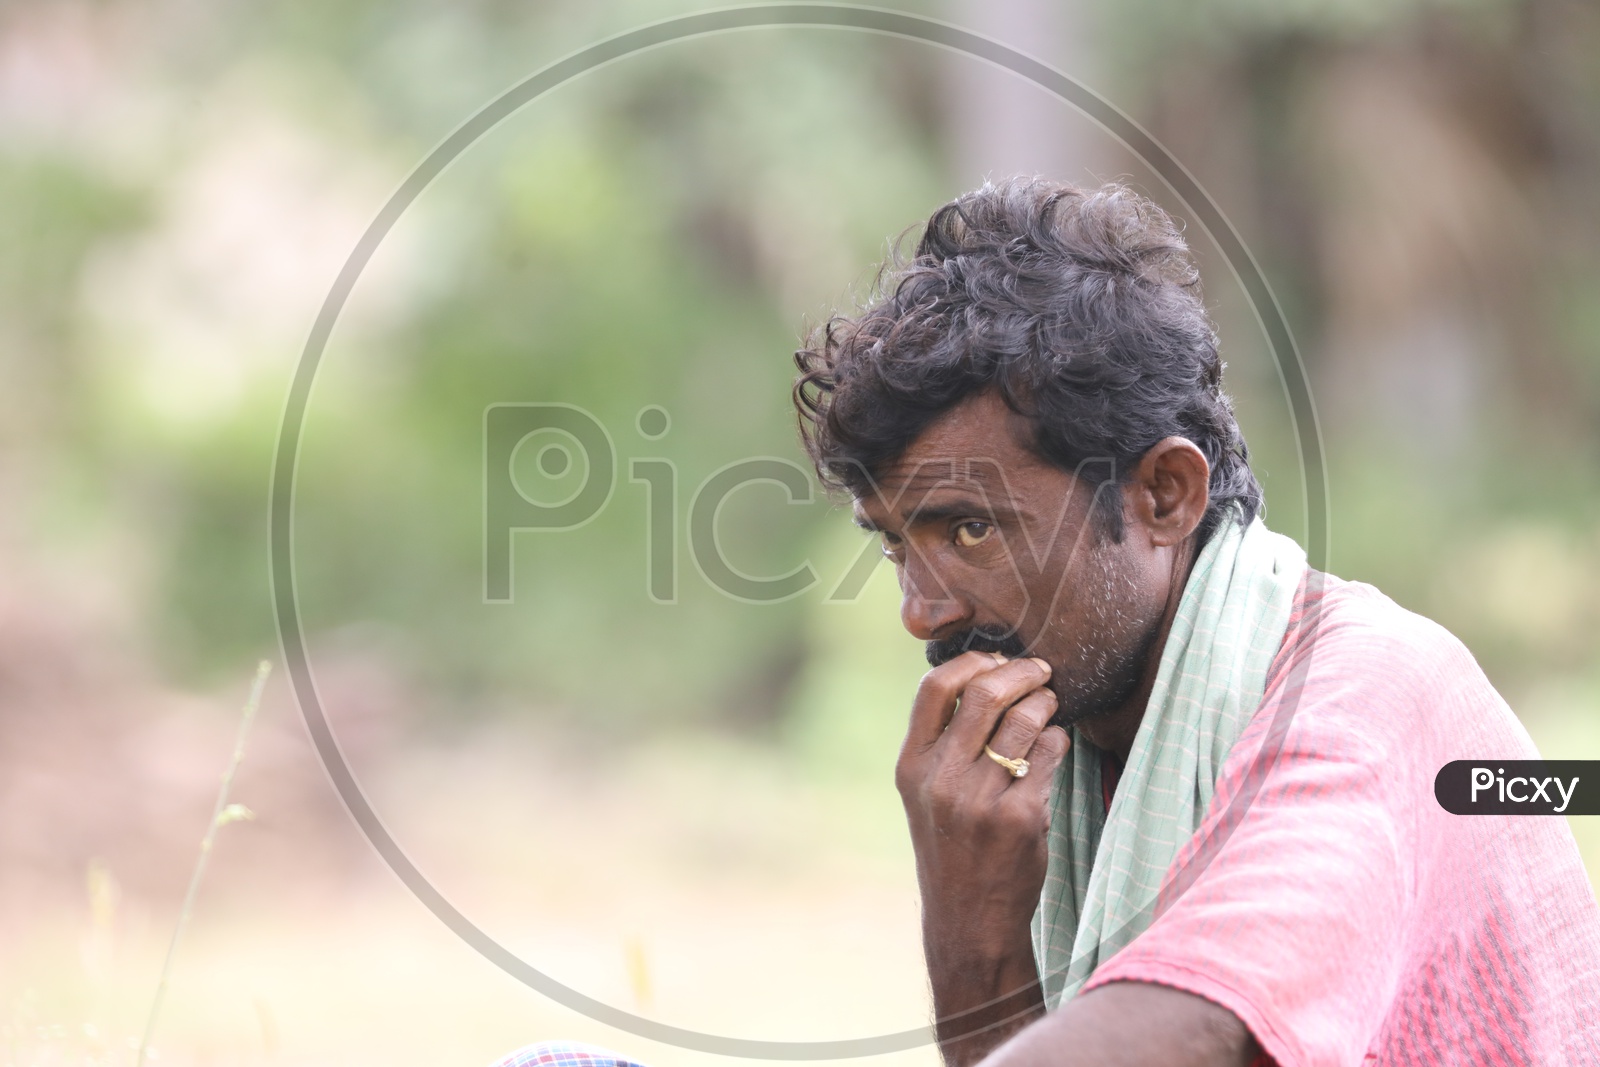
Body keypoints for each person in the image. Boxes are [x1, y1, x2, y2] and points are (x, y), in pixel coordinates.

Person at [491, 179, 1600, 1067]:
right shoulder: (1089, 734)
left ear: (1162, 495)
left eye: (968, 528)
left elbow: (1199, 1021)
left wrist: (969, 936)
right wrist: (977, 951)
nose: (922, 610)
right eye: (894, 542)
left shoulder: (1365, 690)